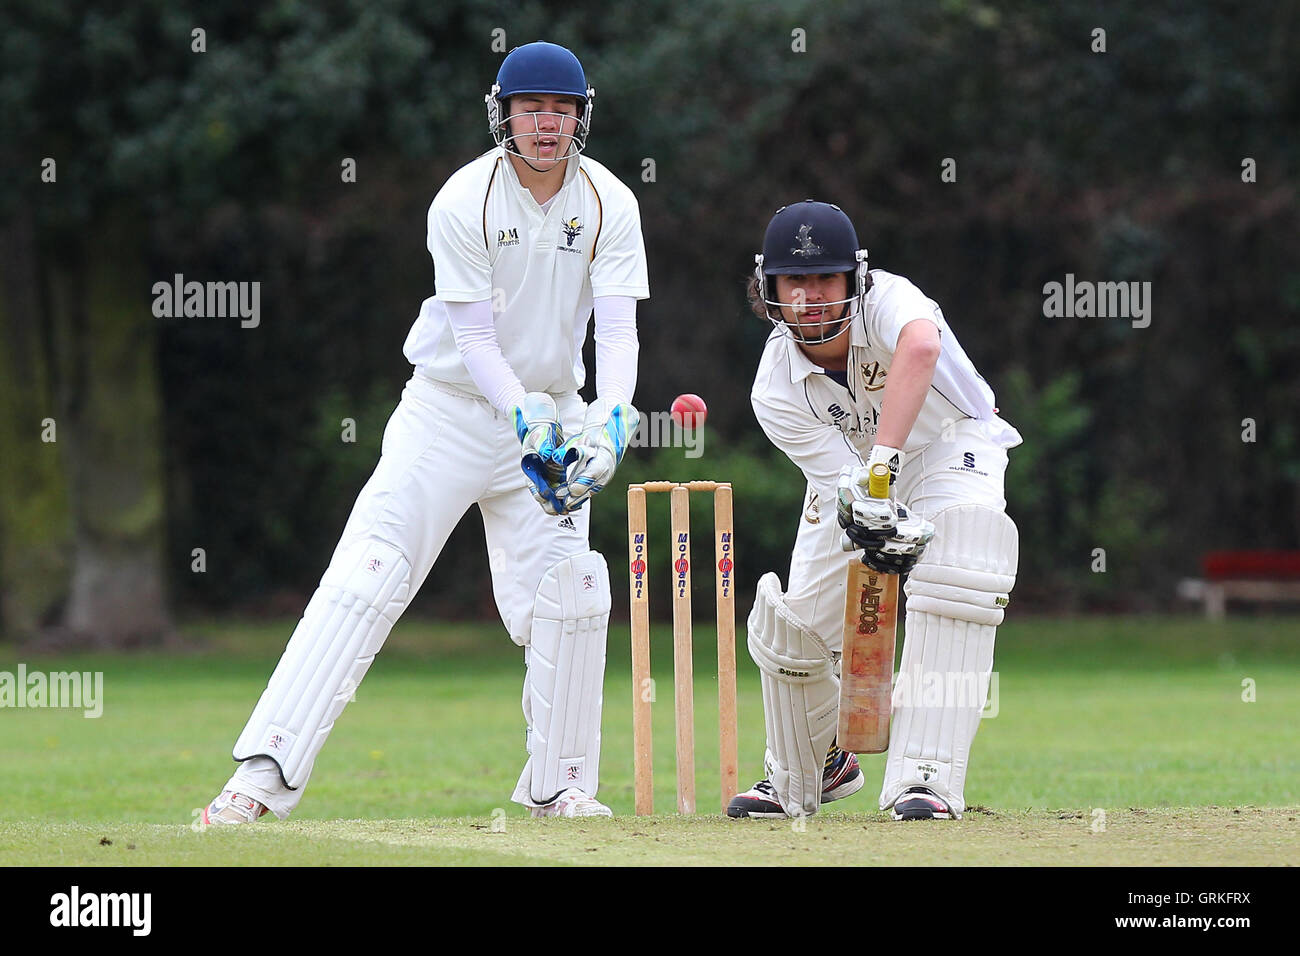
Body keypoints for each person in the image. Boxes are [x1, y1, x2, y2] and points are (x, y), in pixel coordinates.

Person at [201, 41, 648, 823]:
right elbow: (474, 343)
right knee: (370, 573)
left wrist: (610, 420)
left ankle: (560, 783)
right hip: (448, 412)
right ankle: (260, 780)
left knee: (572, 593)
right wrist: (526, 418)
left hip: (554, 412)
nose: (546, 123)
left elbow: (616, 330)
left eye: (562, 109)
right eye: (531, 107)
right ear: (503, 113)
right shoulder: (463, 200)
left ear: (582, 116)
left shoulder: (611, 202)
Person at [727, 200, 1020, 821]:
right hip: (855, 473)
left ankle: (926, 778)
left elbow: (920, 348)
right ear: (769, 287)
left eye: (825, 279)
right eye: (794, 282)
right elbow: (841, 480)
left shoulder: (890, 299)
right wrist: (872, 506)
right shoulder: (773, 388)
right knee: (796, 629)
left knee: (961, 565)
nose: (811, 297)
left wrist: (883, 467)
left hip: (950, 445)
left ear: (854, 279)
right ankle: (809, 769)